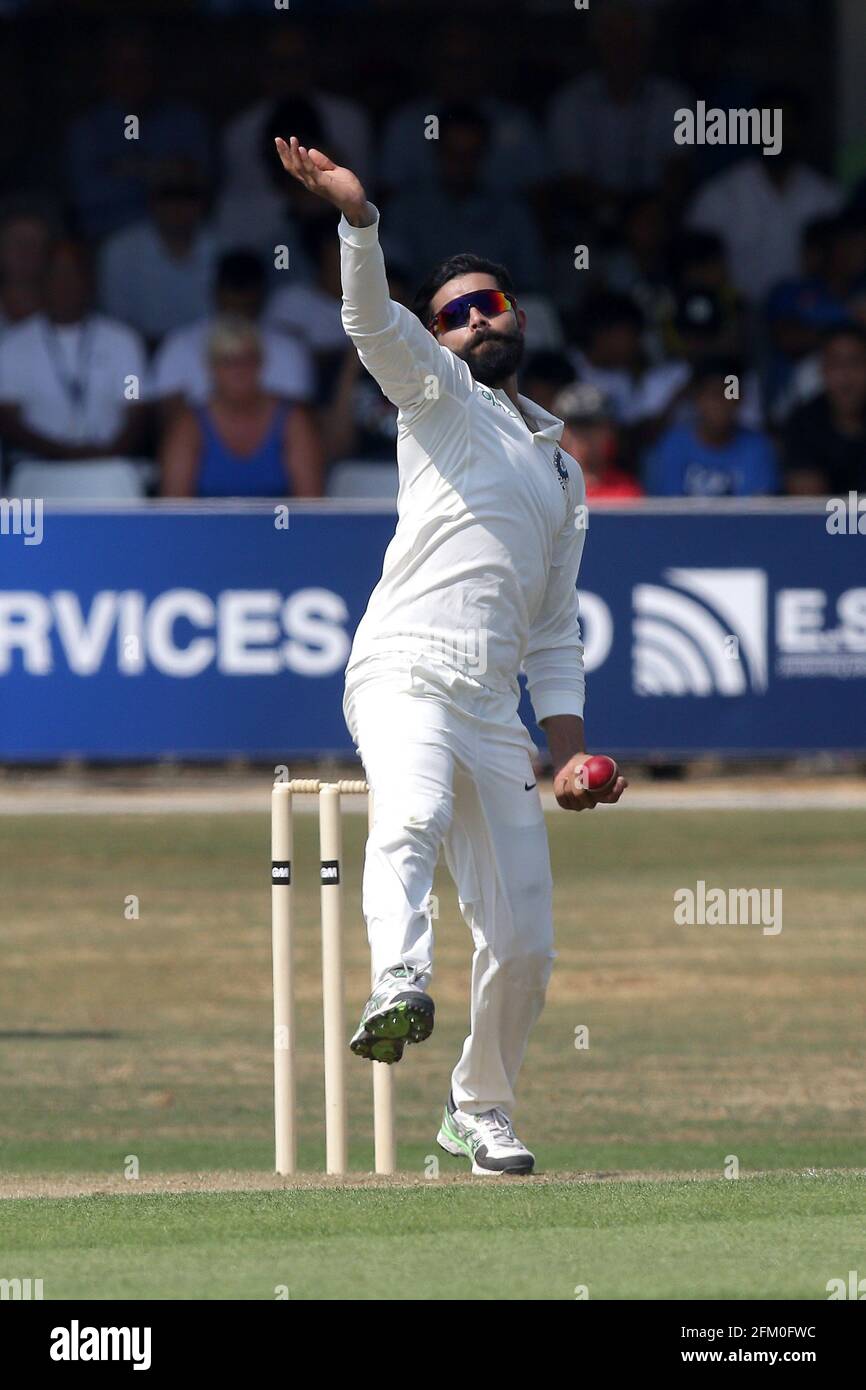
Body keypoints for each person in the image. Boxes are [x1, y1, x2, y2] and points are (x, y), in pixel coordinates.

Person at [273, 135, 627, 1176]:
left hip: (491, 713)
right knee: (412, 810)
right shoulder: (435, 402)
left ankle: (477, 1104)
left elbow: (554, 632)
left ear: (519, 317)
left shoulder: (561, 473)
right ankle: (396, 983)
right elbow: (367, 323)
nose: (476, 318)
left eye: (490, 304)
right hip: (401, 667)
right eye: (456, 311)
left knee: (524, 940)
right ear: (438, 339)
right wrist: (357, 220)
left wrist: (565, 753)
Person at [0, 239, 146, 464]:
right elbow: (9, 418)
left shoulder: (122, 342)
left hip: (109, 464)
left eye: (73, 274)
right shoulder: (13, 347)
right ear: (41, 281)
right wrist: (62, 454)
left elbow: (133, 405)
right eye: (56, 274)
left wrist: (107, 454)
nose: (65, 284)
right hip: (38, 467)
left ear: (90, 282)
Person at [159, 318, 322, 498]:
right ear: (211, 367)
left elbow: (310, 504)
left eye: (247, 359)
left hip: (279, 526)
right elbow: (175, 508)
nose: (238, 370)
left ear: (261, 363)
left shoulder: (292, 420)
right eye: (227, 361)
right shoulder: (189, 424)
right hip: (209, 526)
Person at [150, 250, 313, 419]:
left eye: (245, 307)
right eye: (231, 305)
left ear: (261, 297)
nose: (237, 314)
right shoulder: (179, 345)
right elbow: (170, 422)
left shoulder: (289, 350)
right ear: (216, 294)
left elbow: (297, 422)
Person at [643, 359, 779, 497]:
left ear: (740, 399)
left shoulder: (757, 447)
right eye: (714, 395)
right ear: (697, 399)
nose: (721, 404)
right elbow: (670, 510)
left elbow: (757, 512)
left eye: (729, 395)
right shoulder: (673, 445)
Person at [782, 325, 866, 495]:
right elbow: (809, 506)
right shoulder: (802, 422)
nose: (846, 377)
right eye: (836, 364)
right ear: (822, 369)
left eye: (855, 362)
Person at [554, 384, 643, 500]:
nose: (584, 435)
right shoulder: (545, 487)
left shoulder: (626, 492)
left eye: (592, 426)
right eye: (575, 426)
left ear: (609, 433)